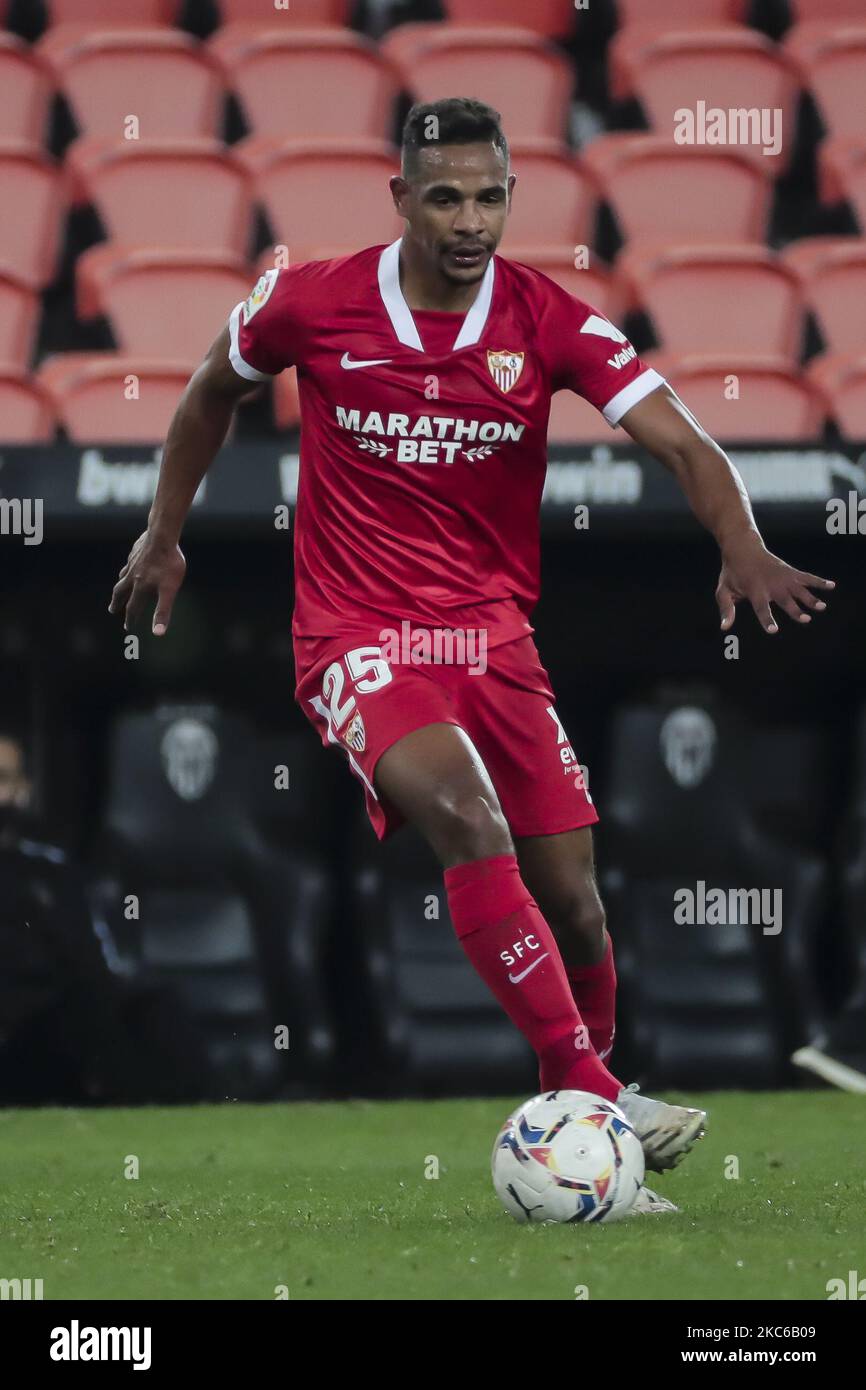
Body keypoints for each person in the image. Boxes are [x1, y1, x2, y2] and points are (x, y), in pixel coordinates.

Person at [109, 98, 834, 1213]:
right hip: (356, 633)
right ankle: (600, 1097)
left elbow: (682, 439)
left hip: (494, 640)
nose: (469, 219)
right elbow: (212, 390)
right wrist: (163, 530)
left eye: (489, 195)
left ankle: (583, 1114)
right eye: (443, 195)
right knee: (466, 816)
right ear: (401, 198)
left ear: (510, 197)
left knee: (577, 905)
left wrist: (740, 542)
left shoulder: (547, 320)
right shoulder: (312, 301)